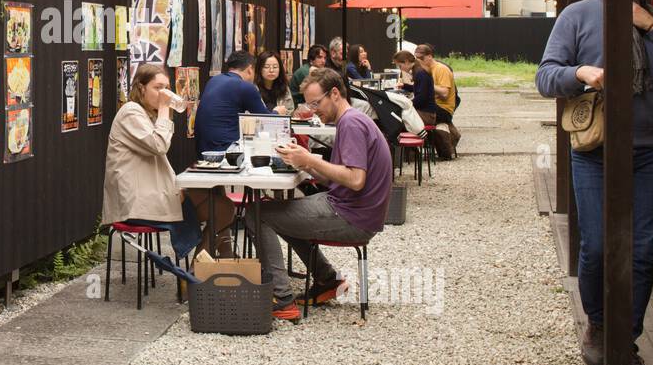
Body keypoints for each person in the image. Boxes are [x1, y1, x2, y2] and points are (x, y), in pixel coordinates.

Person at [536, 0, 653, 365]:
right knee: (595, 245)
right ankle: (597, 323)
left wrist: (651, 28)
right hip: (595, 150)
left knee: (644, 251)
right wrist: (581, 72)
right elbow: (545, 76)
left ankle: (623, 341)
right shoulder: (579, 15)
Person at [248, 67, 393, 321]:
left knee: (256, 213)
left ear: (335, 93)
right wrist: (305, 164)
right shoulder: (353, 120)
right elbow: (342, 177)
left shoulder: (351, 123)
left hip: (352, 216)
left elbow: (356, 180)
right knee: (282, 213)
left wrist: (309, 160)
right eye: (310, 105)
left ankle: (281, 298)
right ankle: (327, 280)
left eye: (317, 103)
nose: (314, 111)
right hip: (355, 210)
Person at [101, 63, 200, 262]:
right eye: (158, 87)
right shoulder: (131, 112)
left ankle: (206, 270)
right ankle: (199, 274)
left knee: (218, 206)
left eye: (167, 87)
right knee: (218, 208)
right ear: (141, 88)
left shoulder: (146, 113)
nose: (164, 93)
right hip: (135, 204)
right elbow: (159, 145)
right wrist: (165, 108)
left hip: (148, 195)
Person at [193, 50, 272, 156]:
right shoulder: (245, 86)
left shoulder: (213, 80)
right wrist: (277, 111)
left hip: (202, 150)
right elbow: (266, 119)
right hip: (226, 151)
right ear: (249, 69)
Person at [414, 43, 460, 158]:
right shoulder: (424, 69)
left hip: (443, 108)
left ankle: (412, 151)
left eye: (421, 58)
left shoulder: (441, 69)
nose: (419, 61)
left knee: (410, 114)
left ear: (430, 56)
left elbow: (444, 93)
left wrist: (428, 86)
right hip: (434, 105)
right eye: (416, 58)